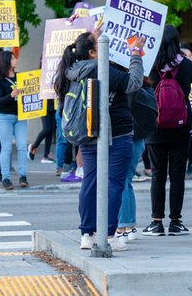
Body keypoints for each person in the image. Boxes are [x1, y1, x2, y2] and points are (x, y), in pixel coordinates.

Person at [56, 30, 145, 252]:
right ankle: (108, 235)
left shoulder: (71, 70)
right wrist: (135, 53)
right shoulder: (102, 68)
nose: (109, 45)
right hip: (116, 134)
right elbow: (133, 83)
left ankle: (87, 234)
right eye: (102, 42)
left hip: (87, 134)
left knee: (90, 181)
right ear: (94, 52)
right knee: (114, 184)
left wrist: (94, 35)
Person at [142, 25, 192, 237]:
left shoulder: (150, 64)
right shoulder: (185, 64)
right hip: (181, 126)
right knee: (177, 175)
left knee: (157, 174)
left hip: (154, 127)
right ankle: (176, 222)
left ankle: (156, 222)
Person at [0, 51, 28, 190]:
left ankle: (23, 176)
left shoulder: (20, 77)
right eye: (13, 58)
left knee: (22, 146)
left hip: (20, 116)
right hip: (4, 117)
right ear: (6, 61)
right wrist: (11, 95)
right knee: (6, 147)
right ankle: (6, 178)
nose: (16, 59)